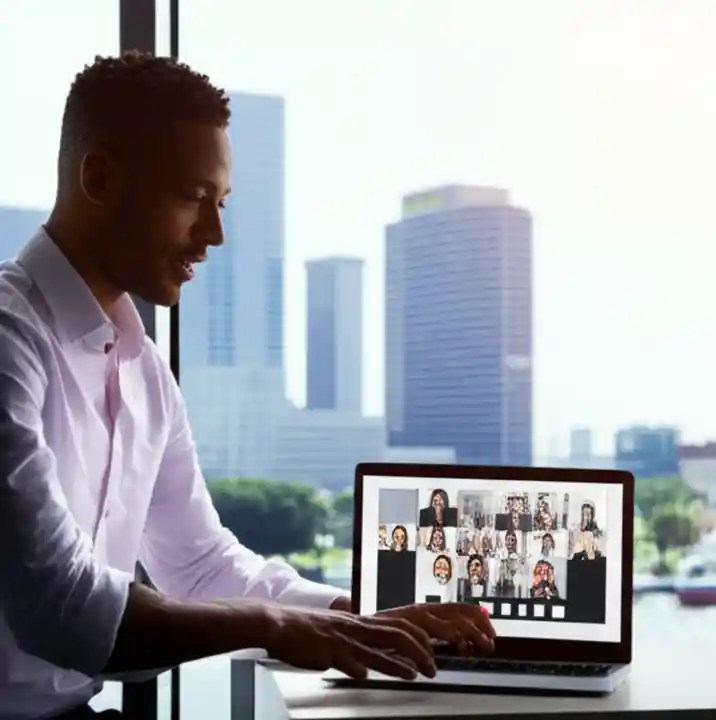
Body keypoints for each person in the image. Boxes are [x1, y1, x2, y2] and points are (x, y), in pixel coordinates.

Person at [0, 52, 495, 719]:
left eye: (221, 203)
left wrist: (352, 615)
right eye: (192, 199)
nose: (214, 235)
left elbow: (201, 566)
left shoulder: (144, 373)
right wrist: (275, 625)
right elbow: (58, 609)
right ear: (100, 177)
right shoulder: (8, 341)